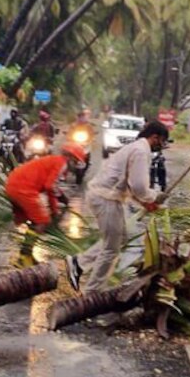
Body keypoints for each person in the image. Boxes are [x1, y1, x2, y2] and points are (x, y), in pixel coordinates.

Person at [66, 120, 168, 293]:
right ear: (154, 137)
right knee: (111, 249)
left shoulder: (137, 148)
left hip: (105, 197)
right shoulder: (141, 151)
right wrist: (153, 196)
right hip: (105, 199)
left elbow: (129, 185)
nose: (162, 145)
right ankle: (91, 292)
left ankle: (79, 263)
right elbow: (138, 186)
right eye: (162, 141)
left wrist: (145, 202)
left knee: (119, 240)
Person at [5, 143, 87, 260]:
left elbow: (50, 186)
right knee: (42, 222)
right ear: (71, 158)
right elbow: (49, 186)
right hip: (23, 189)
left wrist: (57, 202)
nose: (74, 165)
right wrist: (56, 206)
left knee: (30, 220)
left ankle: (25, 253)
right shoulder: (61, 163)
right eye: (75, 161)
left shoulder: (54, 160)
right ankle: (24, 257)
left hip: (13, 185)